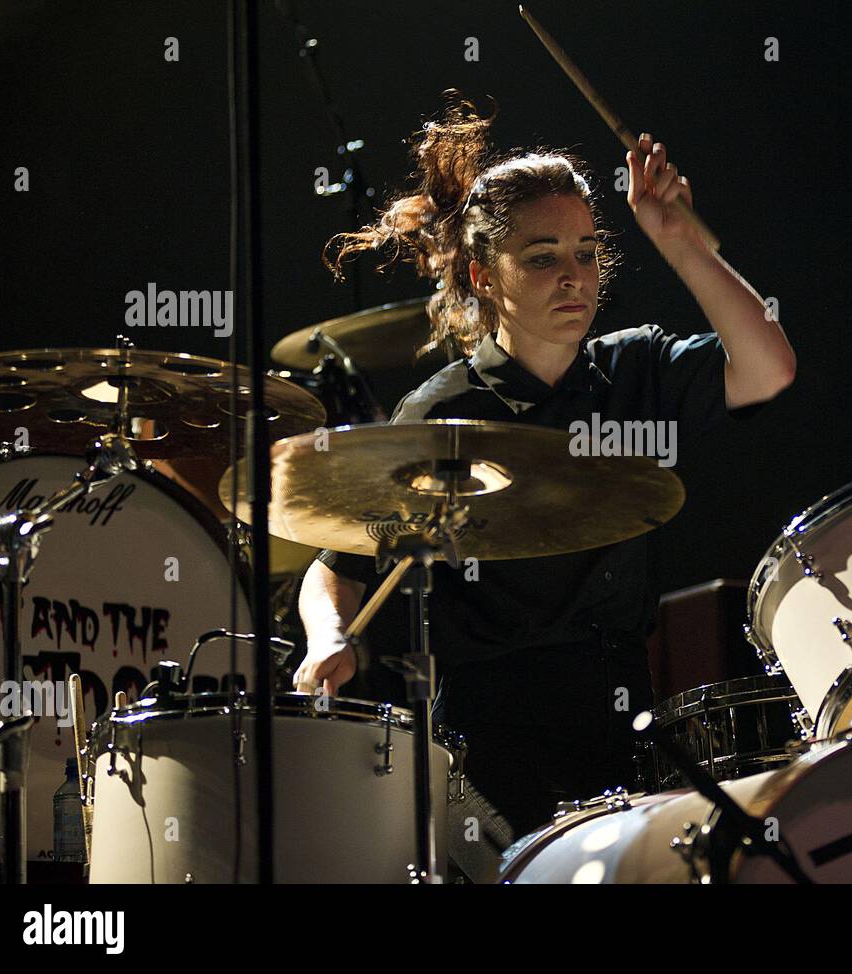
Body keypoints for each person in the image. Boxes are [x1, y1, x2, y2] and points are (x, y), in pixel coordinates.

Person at [294, 91, 795, 838]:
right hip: (490, 748)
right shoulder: (441, 413)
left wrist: (678, 237)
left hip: (624, 719)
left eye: (587, 253)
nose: (574, 276)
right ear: (481, 277)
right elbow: (337, 565)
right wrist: (328, 637)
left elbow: (771, 367)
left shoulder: (638, 370)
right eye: (542, 256)